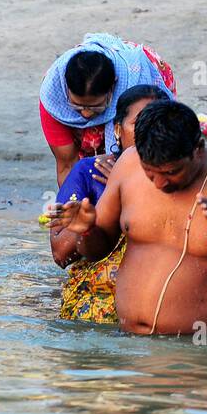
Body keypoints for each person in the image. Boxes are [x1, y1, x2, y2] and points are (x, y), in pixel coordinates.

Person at [51, 100, 207, 337]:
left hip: (206, 351)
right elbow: (97, 250)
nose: (159, 183)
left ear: (197, 149)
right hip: (129, 349)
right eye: (149, 172)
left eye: (171, 172)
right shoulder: (128, 163)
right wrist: (86, 230)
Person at [50, 84, 170, 325]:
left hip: (157, 294)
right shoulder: (89, 172)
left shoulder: (179, 175)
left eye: (159, 124)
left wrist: (137, 185)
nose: (149, 132)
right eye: (139, 123)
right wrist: (116, 192)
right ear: (117, 130)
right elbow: (60, 254)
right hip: (97, 300)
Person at [40, 33, 176, 186]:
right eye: (77, 106)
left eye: (95, 106)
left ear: (113, 88)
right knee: (89, 173)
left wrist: (124, 175)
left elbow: (152, 157)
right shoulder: (54, 96)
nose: (86, 114)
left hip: (136, 98)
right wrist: (71, 206)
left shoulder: (141, 97)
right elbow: (67, 166)